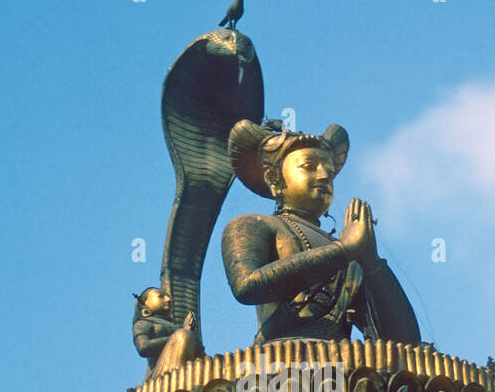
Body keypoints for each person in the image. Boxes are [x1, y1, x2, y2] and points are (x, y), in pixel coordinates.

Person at [221, 120, 420, 345]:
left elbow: (405, 340)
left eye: (330, 171)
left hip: (345, 368)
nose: (325, 175)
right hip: (281, 363)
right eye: (309, 166)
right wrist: (343, 251)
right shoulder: (251, 225)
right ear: (275, 179)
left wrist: (370, 261)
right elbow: (246, 286)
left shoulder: (348, 253)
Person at [132, 285, 203, 377]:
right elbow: (143, 347)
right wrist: (176, 337)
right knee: (182, 335)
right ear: (145, 304)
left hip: (185, 369)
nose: (168, 300)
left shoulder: (177, 327)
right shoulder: (143, 323)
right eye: (160, 296)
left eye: (168, 296)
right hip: (161, 373)